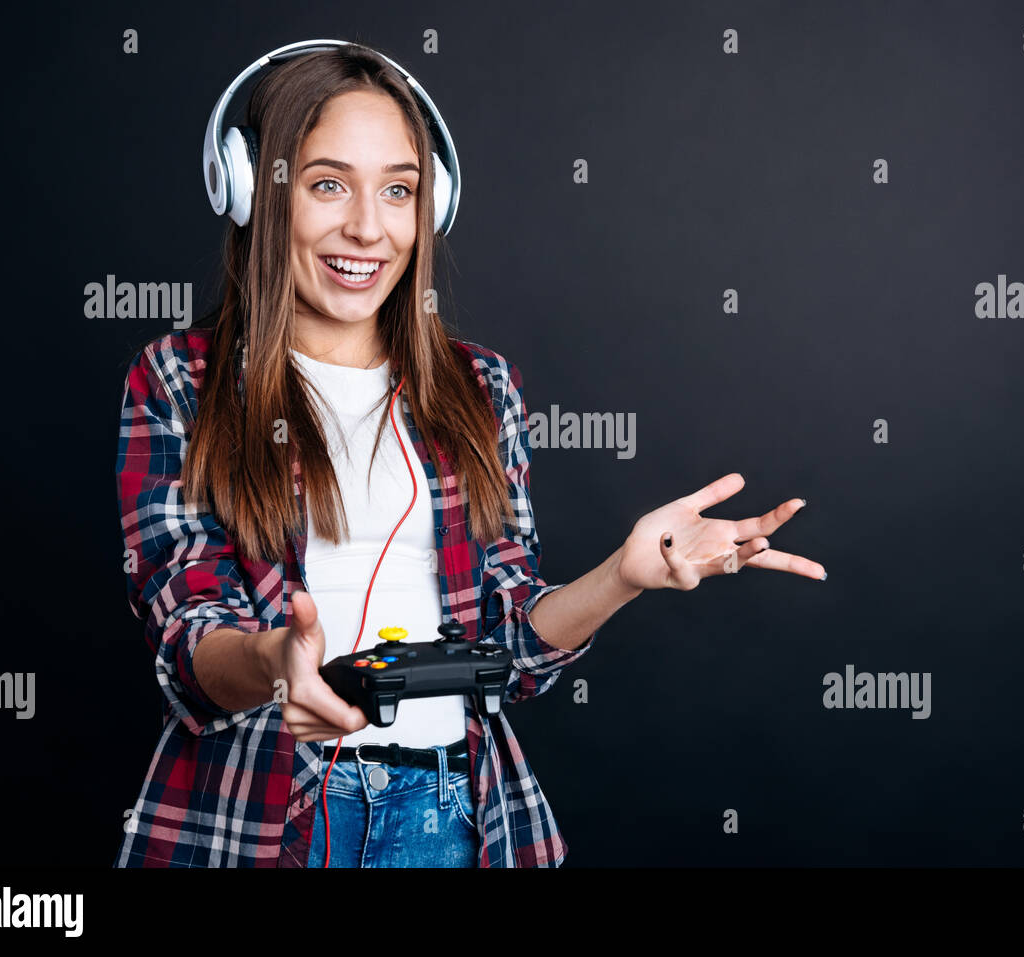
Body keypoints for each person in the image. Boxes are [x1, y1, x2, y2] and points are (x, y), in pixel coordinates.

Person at [114, 42, 826, 869]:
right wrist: (275, 661)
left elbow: (506, 653)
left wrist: (624, 576)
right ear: (249, 191)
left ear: (432, 206)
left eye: (399, 191)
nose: (368, 228)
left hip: (451, 812)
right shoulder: (180, 380)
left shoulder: (479, 387)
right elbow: (188, 630)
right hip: (260, 810)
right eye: (327, 184)